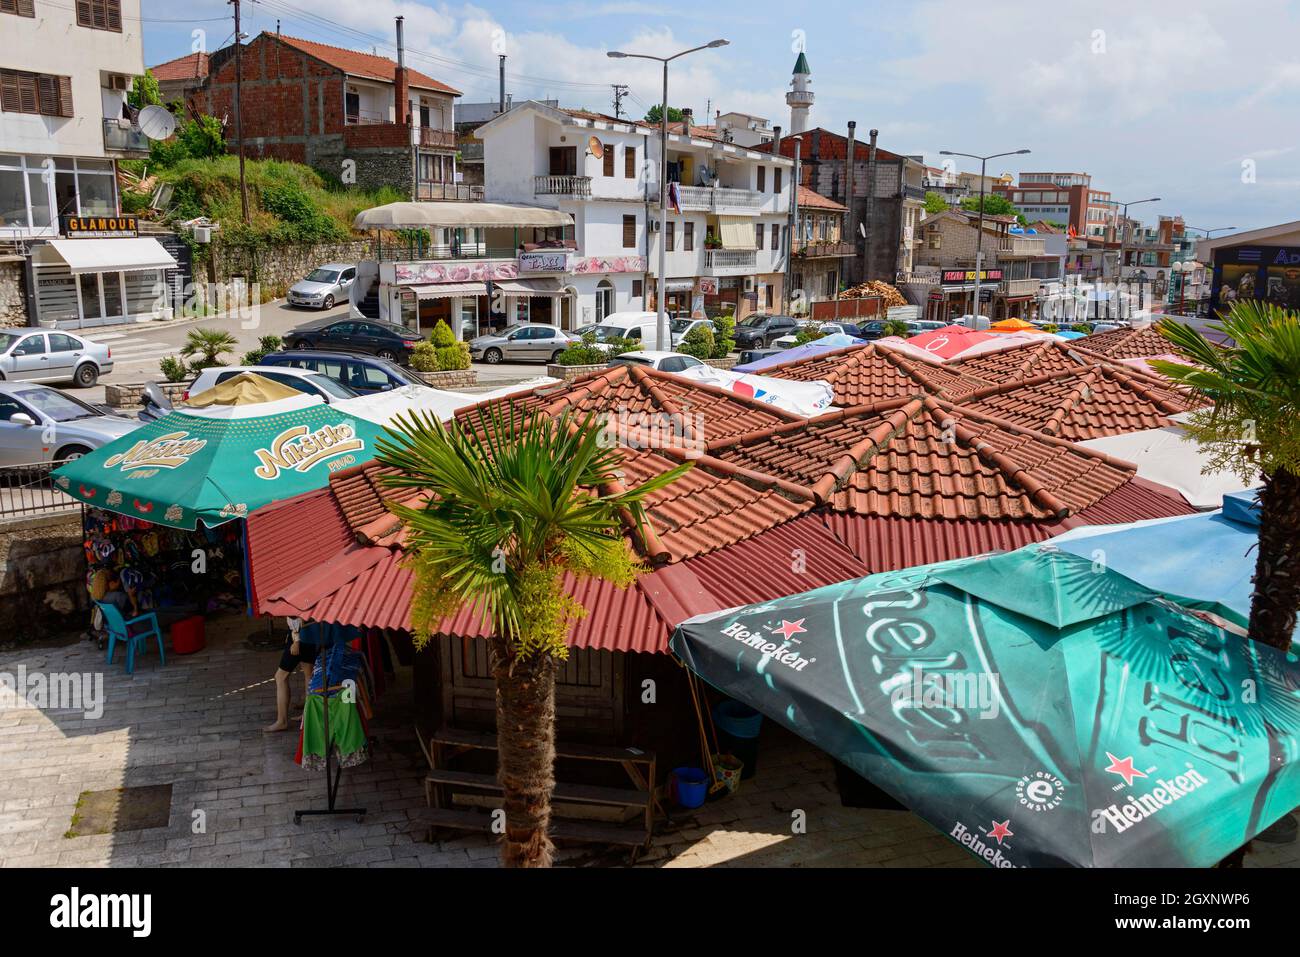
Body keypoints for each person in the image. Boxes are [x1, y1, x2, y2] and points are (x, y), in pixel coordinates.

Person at [264, 618, 318, 733]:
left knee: (280, 677)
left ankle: (282, 721)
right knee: (308, 673)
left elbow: (297, 615)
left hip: (298, 635)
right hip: (310, 632)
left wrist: (297, 641)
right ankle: (307, 715)